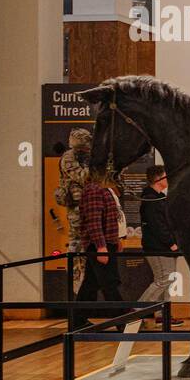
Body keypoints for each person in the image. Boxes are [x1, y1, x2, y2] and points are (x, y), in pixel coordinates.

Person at [138, 165, 184, 328]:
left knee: (168, 280)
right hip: (157, 248)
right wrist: (170, 243)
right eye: (166, 176)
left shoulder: (158, 197)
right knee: (162, 280)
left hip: (163, 247)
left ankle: (162, 315)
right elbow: (157, 225)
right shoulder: (150, 199)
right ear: (158, 179)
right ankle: (136, 312)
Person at [77, 172, 125, 305]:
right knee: (109, 283)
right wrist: (101, 247)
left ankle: (78, 321)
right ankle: (124, 321)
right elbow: (93, 221)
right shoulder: (93, 190)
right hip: (99, 244)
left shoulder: (106, 190)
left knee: (91, 283)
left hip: (106, 242)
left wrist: (116, 240)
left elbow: (111, 219)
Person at [56, 128, 93, 287]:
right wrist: (95, 166)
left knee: (87, 243)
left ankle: (84, 280)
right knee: (77, 242)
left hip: (89, 204)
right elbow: (83, 178)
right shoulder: (69, 158)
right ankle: (75, 282)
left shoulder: (85, 156)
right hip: (76, 206)